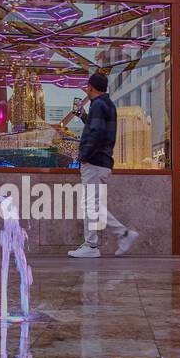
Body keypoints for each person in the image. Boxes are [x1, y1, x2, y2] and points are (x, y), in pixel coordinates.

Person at [68, 71, 139, 258]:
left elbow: (96, 134)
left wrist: (84, 155)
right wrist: (84, 117)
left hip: (94, 162)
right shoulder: (106, 104)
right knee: (93, 204)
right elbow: (96, 128)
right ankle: (117, 236)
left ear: (90, 87)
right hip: (102, 162)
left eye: (87, 86)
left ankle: (95, 244)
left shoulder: (98, 105)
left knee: (91, 205)